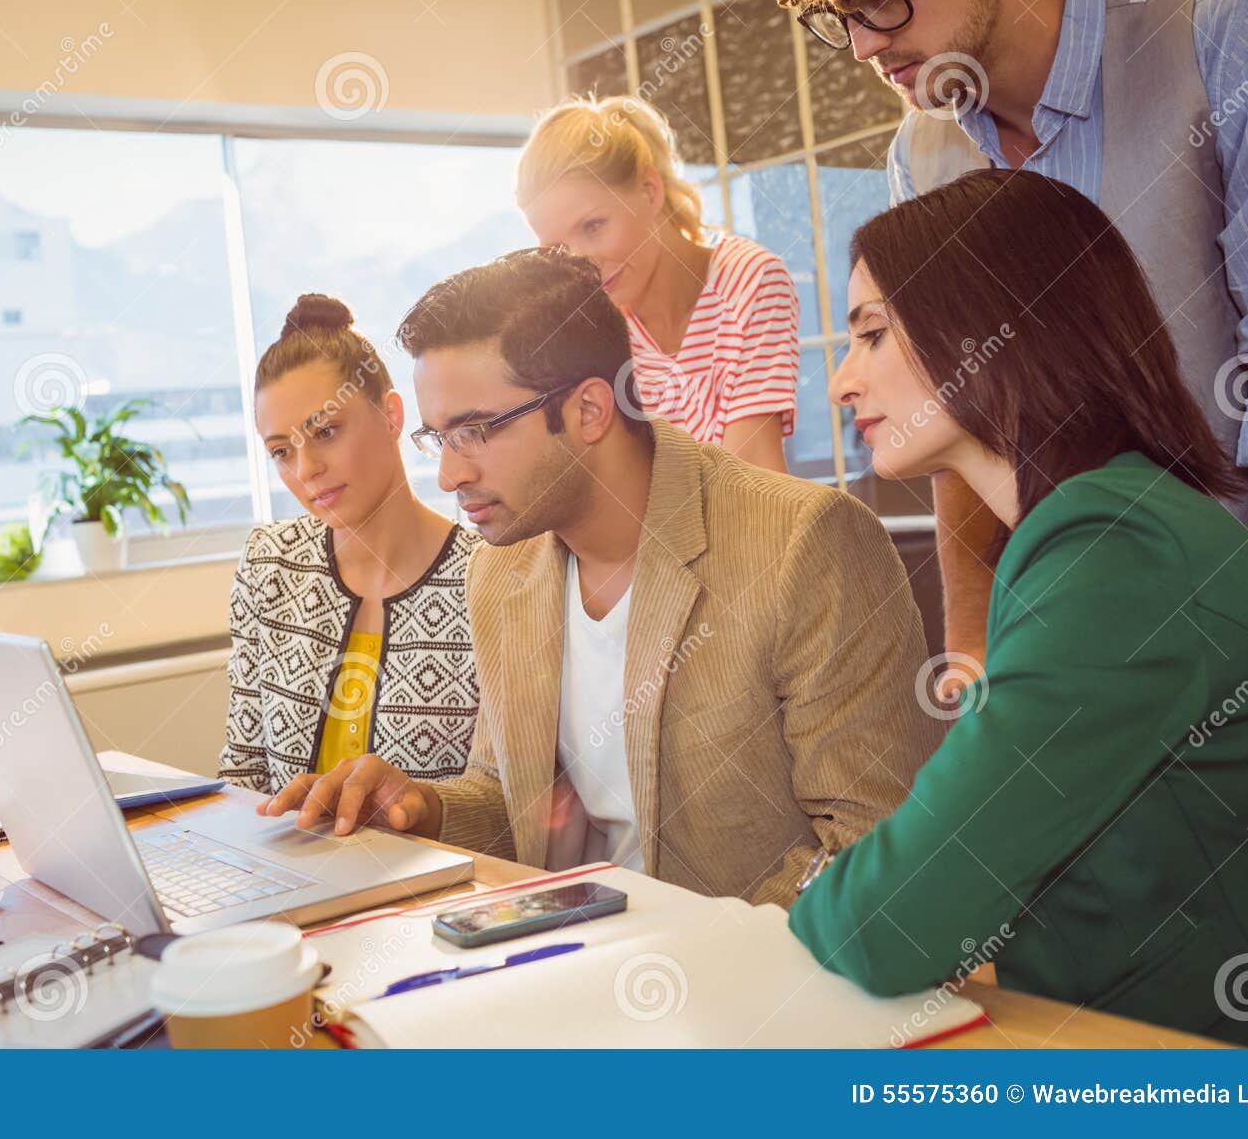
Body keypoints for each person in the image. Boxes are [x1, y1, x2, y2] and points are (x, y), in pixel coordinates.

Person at [260, 249, 944, 908]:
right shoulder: (501, 568)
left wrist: (669, 946)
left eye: (476, 431)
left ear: (590, 409)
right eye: (439, 438)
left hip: (754, 993)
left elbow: (873, 846)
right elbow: (511, 796)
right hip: (581, 969)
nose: (449, 474)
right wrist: (424, 806)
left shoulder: (800, 541)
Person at [789, 169, 1248, 1047]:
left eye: (872, 333)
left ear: (993, 328)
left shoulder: (1117, 553)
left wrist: (826, 892)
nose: (840, 382)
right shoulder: (1110, 524)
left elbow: (891, 921)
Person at [775, 0, 1248, 687]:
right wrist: (970, 651)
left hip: (1242, 622)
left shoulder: (1226, 38)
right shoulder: (922, 156)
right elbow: (958, 420)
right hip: (1072, 648)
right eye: (842, 20)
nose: (866, 44)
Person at [218, 294, 481, 793]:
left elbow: (508, 804)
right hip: (288, 868)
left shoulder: (487, 578)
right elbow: (241, 773)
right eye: (281, 451)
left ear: (391, 416)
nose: (305, 469)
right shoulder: (269, 564)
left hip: (436, 871)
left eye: (327, 431)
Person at [517, 95, 800, 473]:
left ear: (650, 191)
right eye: (558, 248)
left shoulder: (749, 280)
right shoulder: (593, 331)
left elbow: (752, 475)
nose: (582, 264)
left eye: (594, 226)